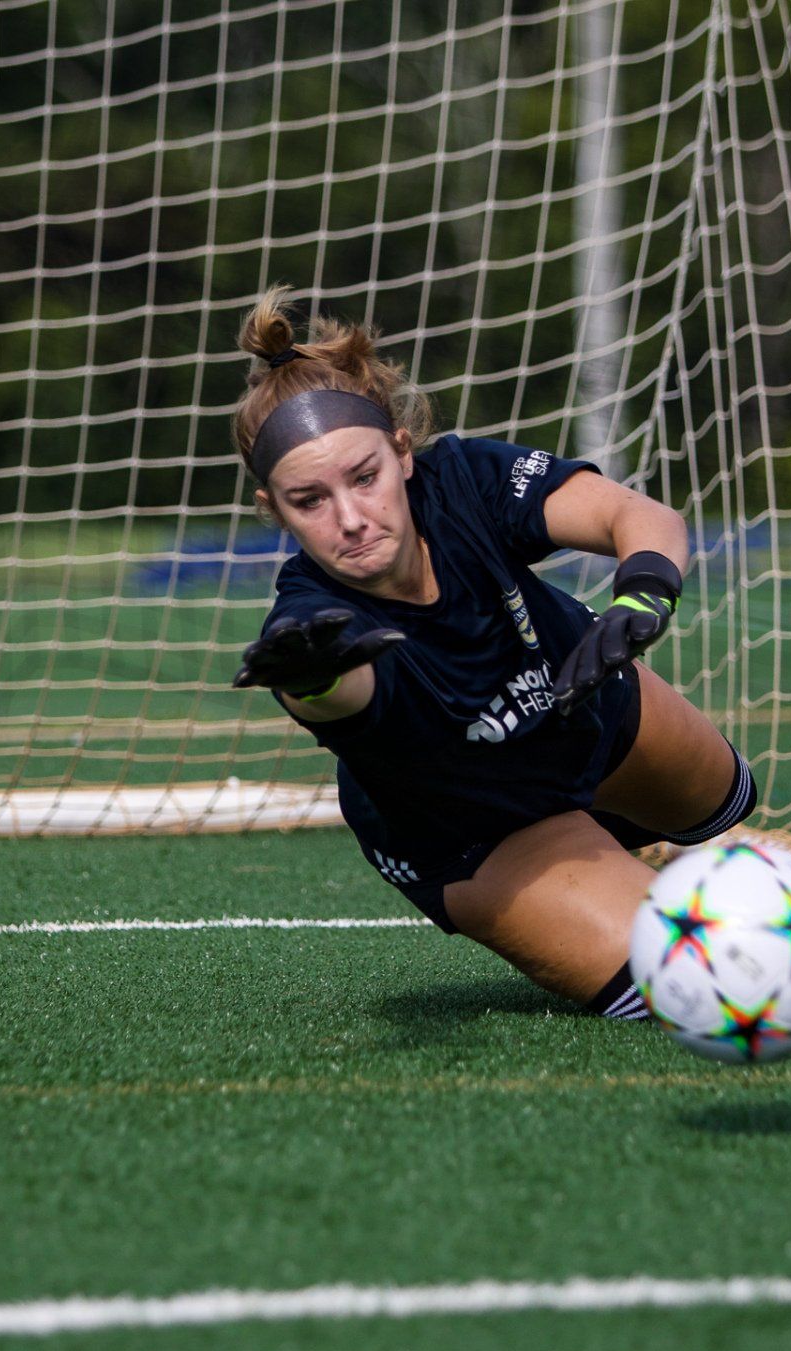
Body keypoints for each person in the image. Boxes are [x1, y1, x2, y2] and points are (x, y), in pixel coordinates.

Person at [229, 288, 756, 1020]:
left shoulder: (462, 480)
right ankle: (577, 869)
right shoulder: (310, 620)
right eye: (309, 500)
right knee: (705, 985)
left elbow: (638, 515)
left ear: (403, 455)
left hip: (584, 710)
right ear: (274, 508)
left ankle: (611, 845)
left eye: (364, 476)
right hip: (478, 826)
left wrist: (641, 599)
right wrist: (314, 679)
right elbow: (334, 690)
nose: (349, 518)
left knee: (725, 801)